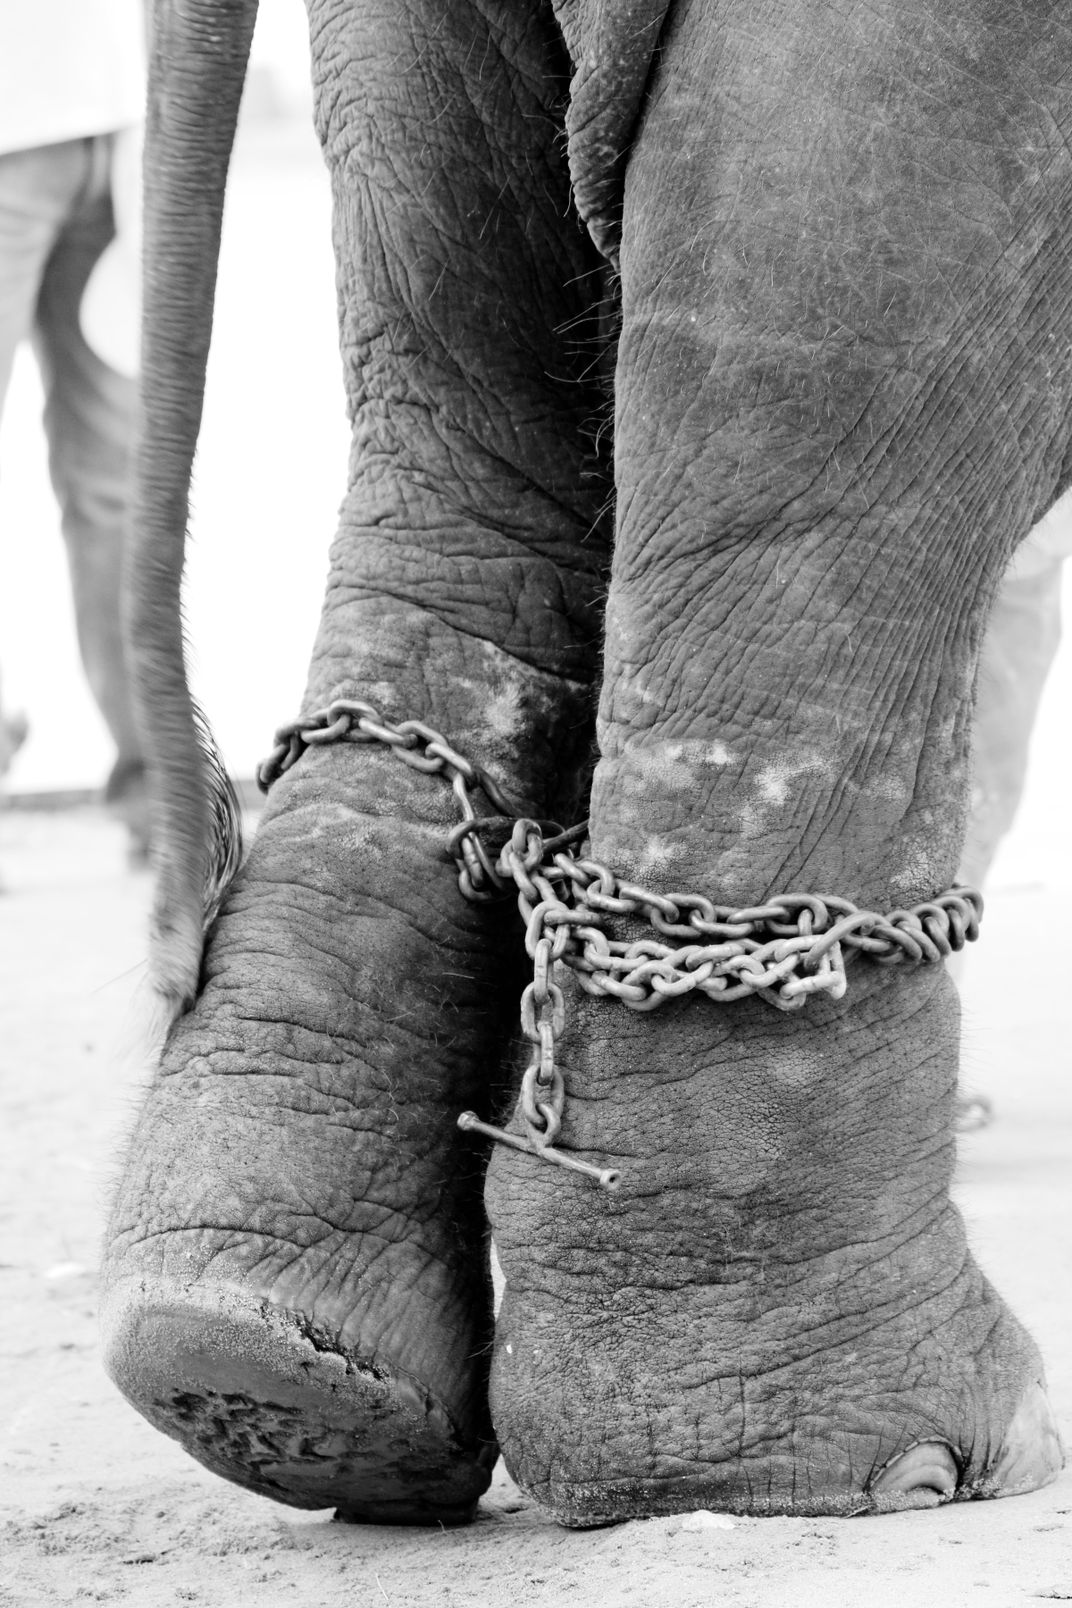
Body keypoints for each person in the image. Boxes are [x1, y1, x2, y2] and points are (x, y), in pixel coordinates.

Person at [0, 0, 148, 853]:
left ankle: (157, 782)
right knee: (108, 488)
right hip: (50, 119)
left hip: (116, 124)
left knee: (118, 483)